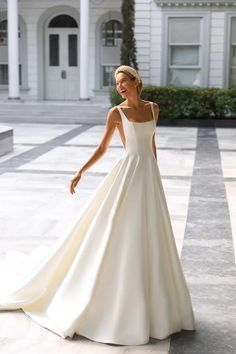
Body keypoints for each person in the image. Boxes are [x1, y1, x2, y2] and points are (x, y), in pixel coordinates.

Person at [0, 65, 195, 346]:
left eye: (123, 80)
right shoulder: (116, 113)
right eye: (116, 83)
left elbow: (151, 143)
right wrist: (81, 170)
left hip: (148, 176)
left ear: (135, 81)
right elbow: (104, 147)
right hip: (127, 173)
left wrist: (156, 173)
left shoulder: (154, 108)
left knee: (151, 234)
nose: (119, 86)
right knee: (121, 231)